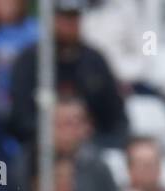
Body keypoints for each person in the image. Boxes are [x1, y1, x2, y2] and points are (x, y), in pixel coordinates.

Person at [7, 0, 126, 147]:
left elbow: (115, 115)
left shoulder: (95, 61)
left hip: (91, 146)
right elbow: (19, 117)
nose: (69, 24)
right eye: (63, 18)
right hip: (39, 146)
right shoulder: (30, 60)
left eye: (74, 17)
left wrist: (87, 134)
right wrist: (56, 132)